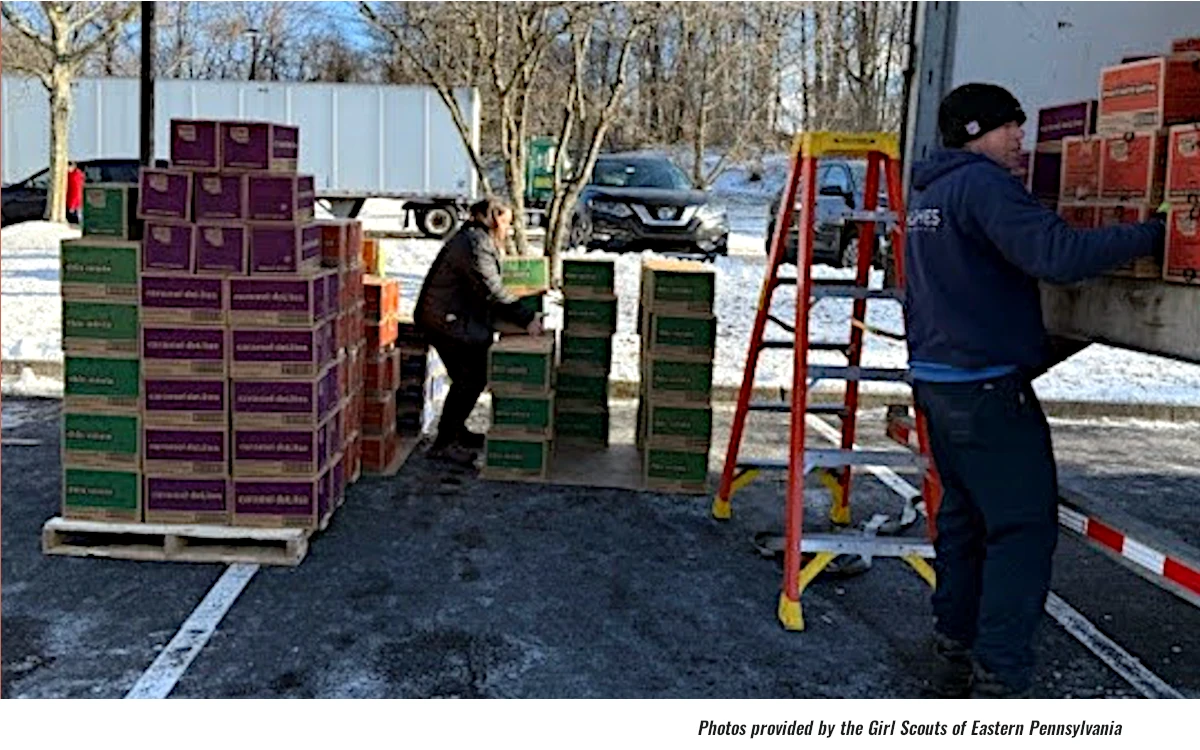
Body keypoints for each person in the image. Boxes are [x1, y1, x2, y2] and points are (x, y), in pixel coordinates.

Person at [904, 83, 1165, 699]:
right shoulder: (982, 185)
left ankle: (954, 651)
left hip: (941, 384)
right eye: (1009, 127)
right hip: (987, 388)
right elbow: (1057, 254)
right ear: (975, 131)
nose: (1020, 138)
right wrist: (1154, 233)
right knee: (1020, 529)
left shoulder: (931, 192)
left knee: (966, 521)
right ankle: (1000, 673)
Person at [414, 196, 543, 466]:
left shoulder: (478, 239)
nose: (508, 229)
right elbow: (492, 289)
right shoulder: (475, 244)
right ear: (494, 219)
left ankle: (454, 432)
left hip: (449, 317)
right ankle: (444, 443)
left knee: (467, 378)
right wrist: (527, 317)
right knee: (470, 378)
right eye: (507, 222)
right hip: (445, 321)